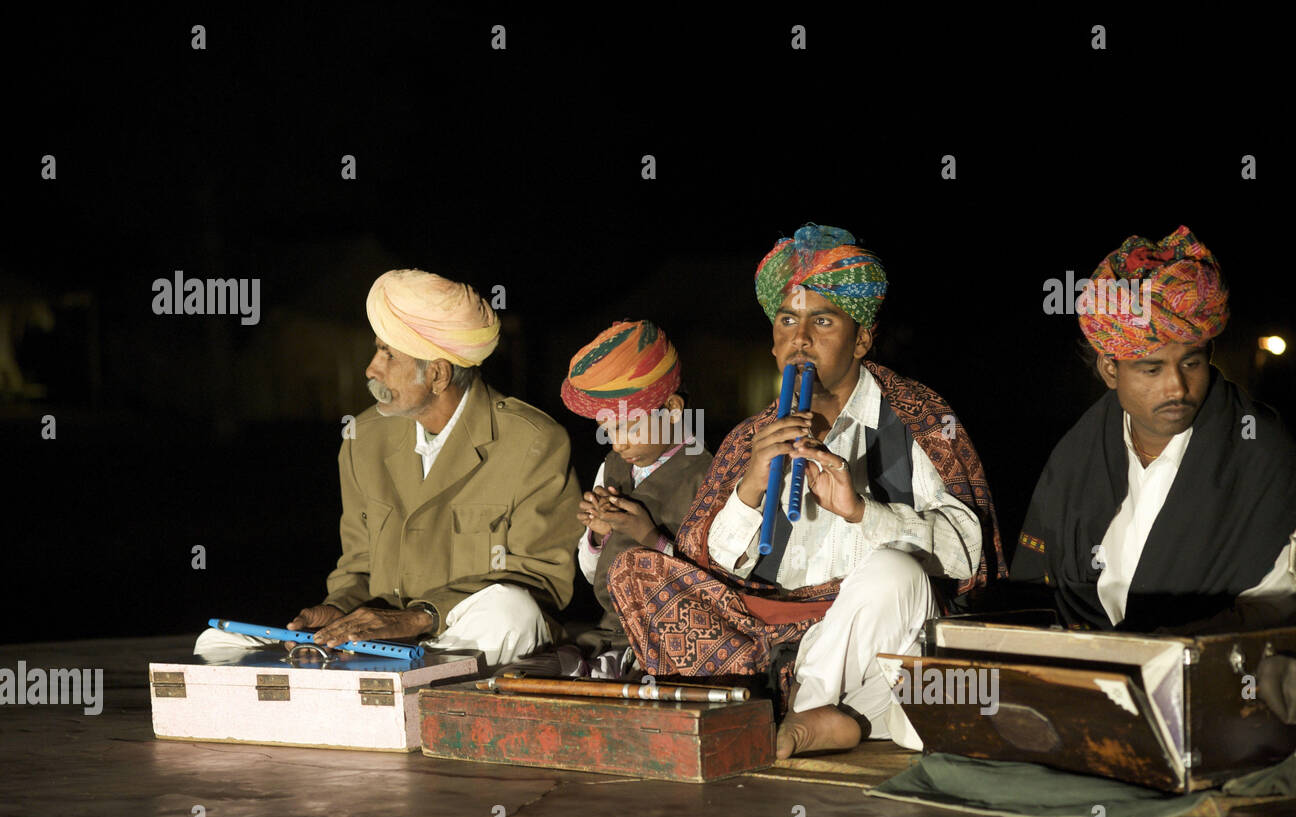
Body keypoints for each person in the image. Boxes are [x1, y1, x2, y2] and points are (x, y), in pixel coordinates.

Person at [608, 224, 1006, 758]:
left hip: (872, 621)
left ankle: (799, 718)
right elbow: (707, 564)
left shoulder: (920, 418)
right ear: (773, 339)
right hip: (767, 643)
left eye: (822, 321)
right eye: (788, 321)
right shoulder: (752, 436)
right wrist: (749, 489)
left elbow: (969, 554)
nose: (801, 339)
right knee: (636, 571)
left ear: (861, 339)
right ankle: (867, 714)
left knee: (895, 572)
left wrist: (863, 512)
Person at [195, 268, 583, 666]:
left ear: (437, 373)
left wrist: (419, 617)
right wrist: (339, 612)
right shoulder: (363, 438)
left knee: (510, 612)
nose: (371, 369)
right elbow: (358, 565)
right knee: (217, 643)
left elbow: (540, 581)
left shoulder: (532, 441)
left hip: (466, 640)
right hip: (382, 643)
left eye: (388, 354)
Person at [1011, 225, 1296, 634]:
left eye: (1192, 363)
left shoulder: (1260, 454)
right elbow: (1033, 603)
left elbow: (1278, 609)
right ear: (1111, 369)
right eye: (1152, 368)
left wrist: (1159, 652)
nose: (1177, 387)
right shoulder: (1076, 457)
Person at [561, 320, 713, 673]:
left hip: (676, 642)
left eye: (629, 427)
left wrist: (649, 537)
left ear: (673, 409)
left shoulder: (708, 476)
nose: (618, 443)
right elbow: (591, 574)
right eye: (608, 430)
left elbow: (713, 586)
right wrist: (598, 534)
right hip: (611, 634)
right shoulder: (612, 467)